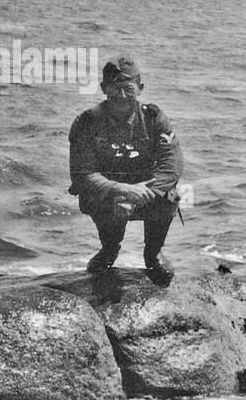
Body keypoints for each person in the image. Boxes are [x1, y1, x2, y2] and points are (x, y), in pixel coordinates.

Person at [68, 56, 182, 284]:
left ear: (140, 89)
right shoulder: (87, 122)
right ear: (103, 89)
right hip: (111, 192)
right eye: (114, 88)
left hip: (146, 191)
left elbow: (172, 164)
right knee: (92, 196)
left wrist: (142, 192)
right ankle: (109, 249)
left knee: (169, 194)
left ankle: (153, 253)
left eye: (128, 89)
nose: (121, 96)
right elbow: (82, 175)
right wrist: (120, 190)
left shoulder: (153, 118)